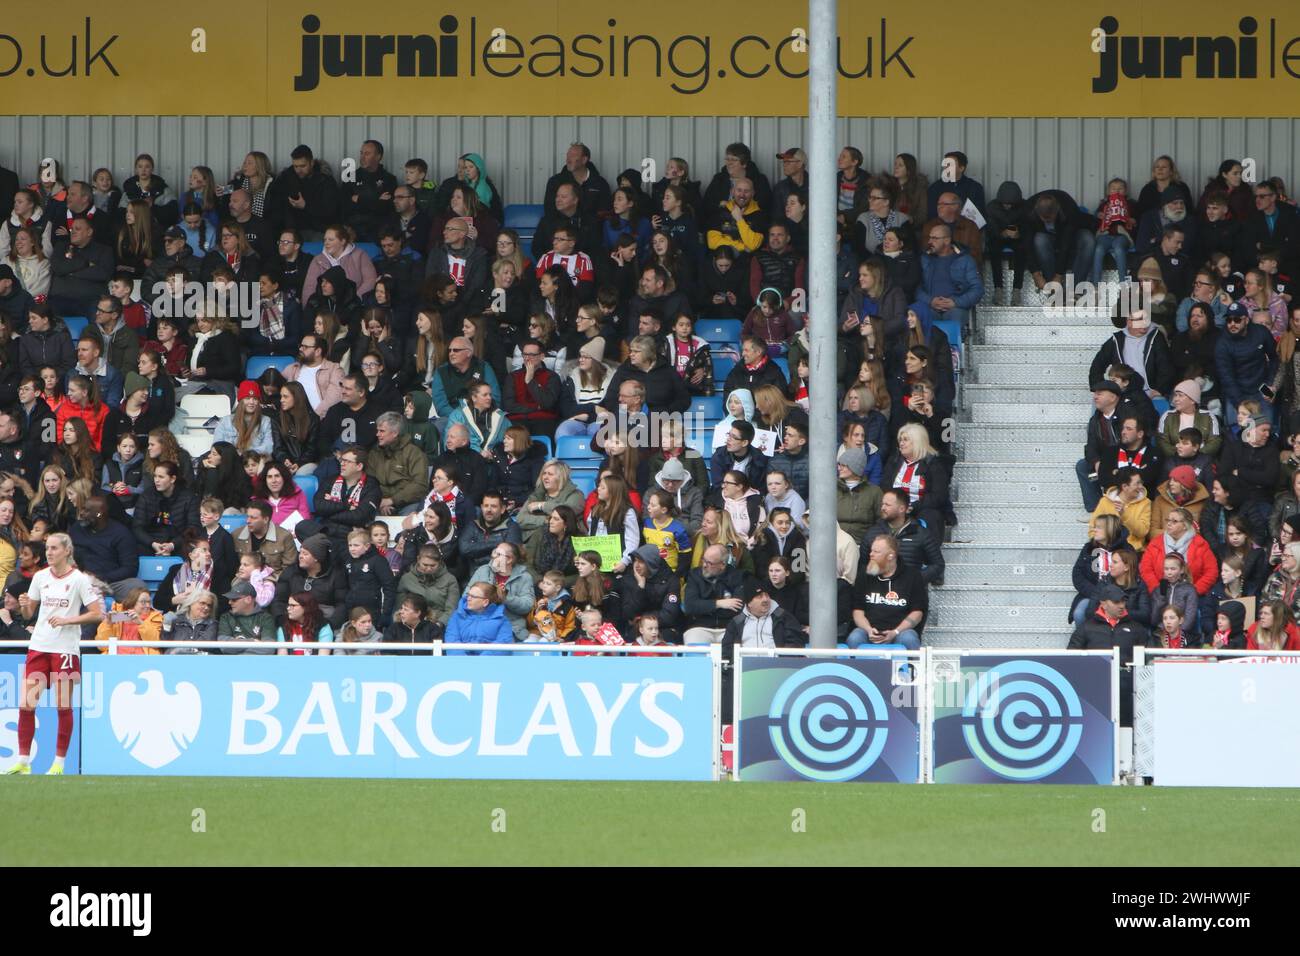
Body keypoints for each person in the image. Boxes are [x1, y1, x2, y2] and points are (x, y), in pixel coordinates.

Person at [4, 532, 103, 774]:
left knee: (63, 705)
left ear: (67, 551)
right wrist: (26, 604)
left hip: (65, 650)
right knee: (26, 704)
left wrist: (69, 620)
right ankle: (24, 762)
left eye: (54, 548)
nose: (49, 552)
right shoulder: (39, 577)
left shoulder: (79, 580)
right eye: (47, 548)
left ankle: (58, 763)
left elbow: (97, 613)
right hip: (39, 646)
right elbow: (30, 616)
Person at [846, 535, 926, 650]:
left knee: (909, 639)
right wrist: (868, 630)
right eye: (871, 550)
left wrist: (895, 632)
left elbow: (917, 613)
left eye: (876, 552)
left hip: (900, 632)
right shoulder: (864, 574)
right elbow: (857, 610)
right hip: (868, 631)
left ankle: (912, 668)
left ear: (891, 555)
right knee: (855, 638)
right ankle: (853, 668)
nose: (871, 554)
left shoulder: (912, 576)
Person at [918, 221, 983, 332]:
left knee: (955, 320)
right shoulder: (923, 259)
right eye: (930, 238)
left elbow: (977, 289)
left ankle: (953, 349)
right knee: (921, 317)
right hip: (930, 306)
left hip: (956, 308)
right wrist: (930, 301)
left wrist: (956, 302)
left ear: (947, 240)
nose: (929, 242)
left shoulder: (965, 260)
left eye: (934, 238)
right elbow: (915, 287)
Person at [1140, 507, 1219, 596]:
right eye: (1168, 520)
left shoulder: (1200, 544)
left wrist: (1193, 592)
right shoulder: (1155, 543)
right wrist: (1159, 592)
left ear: (1185, 525)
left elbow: (1211, 571)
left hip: (1191, 596)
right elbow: (1145, 569)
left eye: (1174, 521)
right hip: (1161, 596)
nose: (1169, 524)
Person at [466, 542, 534, 642]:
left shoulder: (525, 577)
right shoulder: (483, 571)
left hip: (511, 627)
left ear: (509, 559)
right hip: (480, 623)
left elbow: (527, 606)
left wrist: (506, 598)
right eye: (494, 552)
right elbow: (466, 596)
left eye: (498, 554)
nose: (493, 556)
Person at [682, 544, 748, 644]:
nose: (704, 565)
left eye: (709, 563)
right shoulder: (695, 575)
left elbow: (737, 609)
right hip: (699, 627)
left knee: (734, 651)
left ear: (722, 565)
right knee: (694, 647)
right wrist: (719, 604)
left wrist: (704, 606)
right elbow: (690, 606)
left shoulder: (737, 577)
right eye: (703, 560)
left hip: (728, 627)